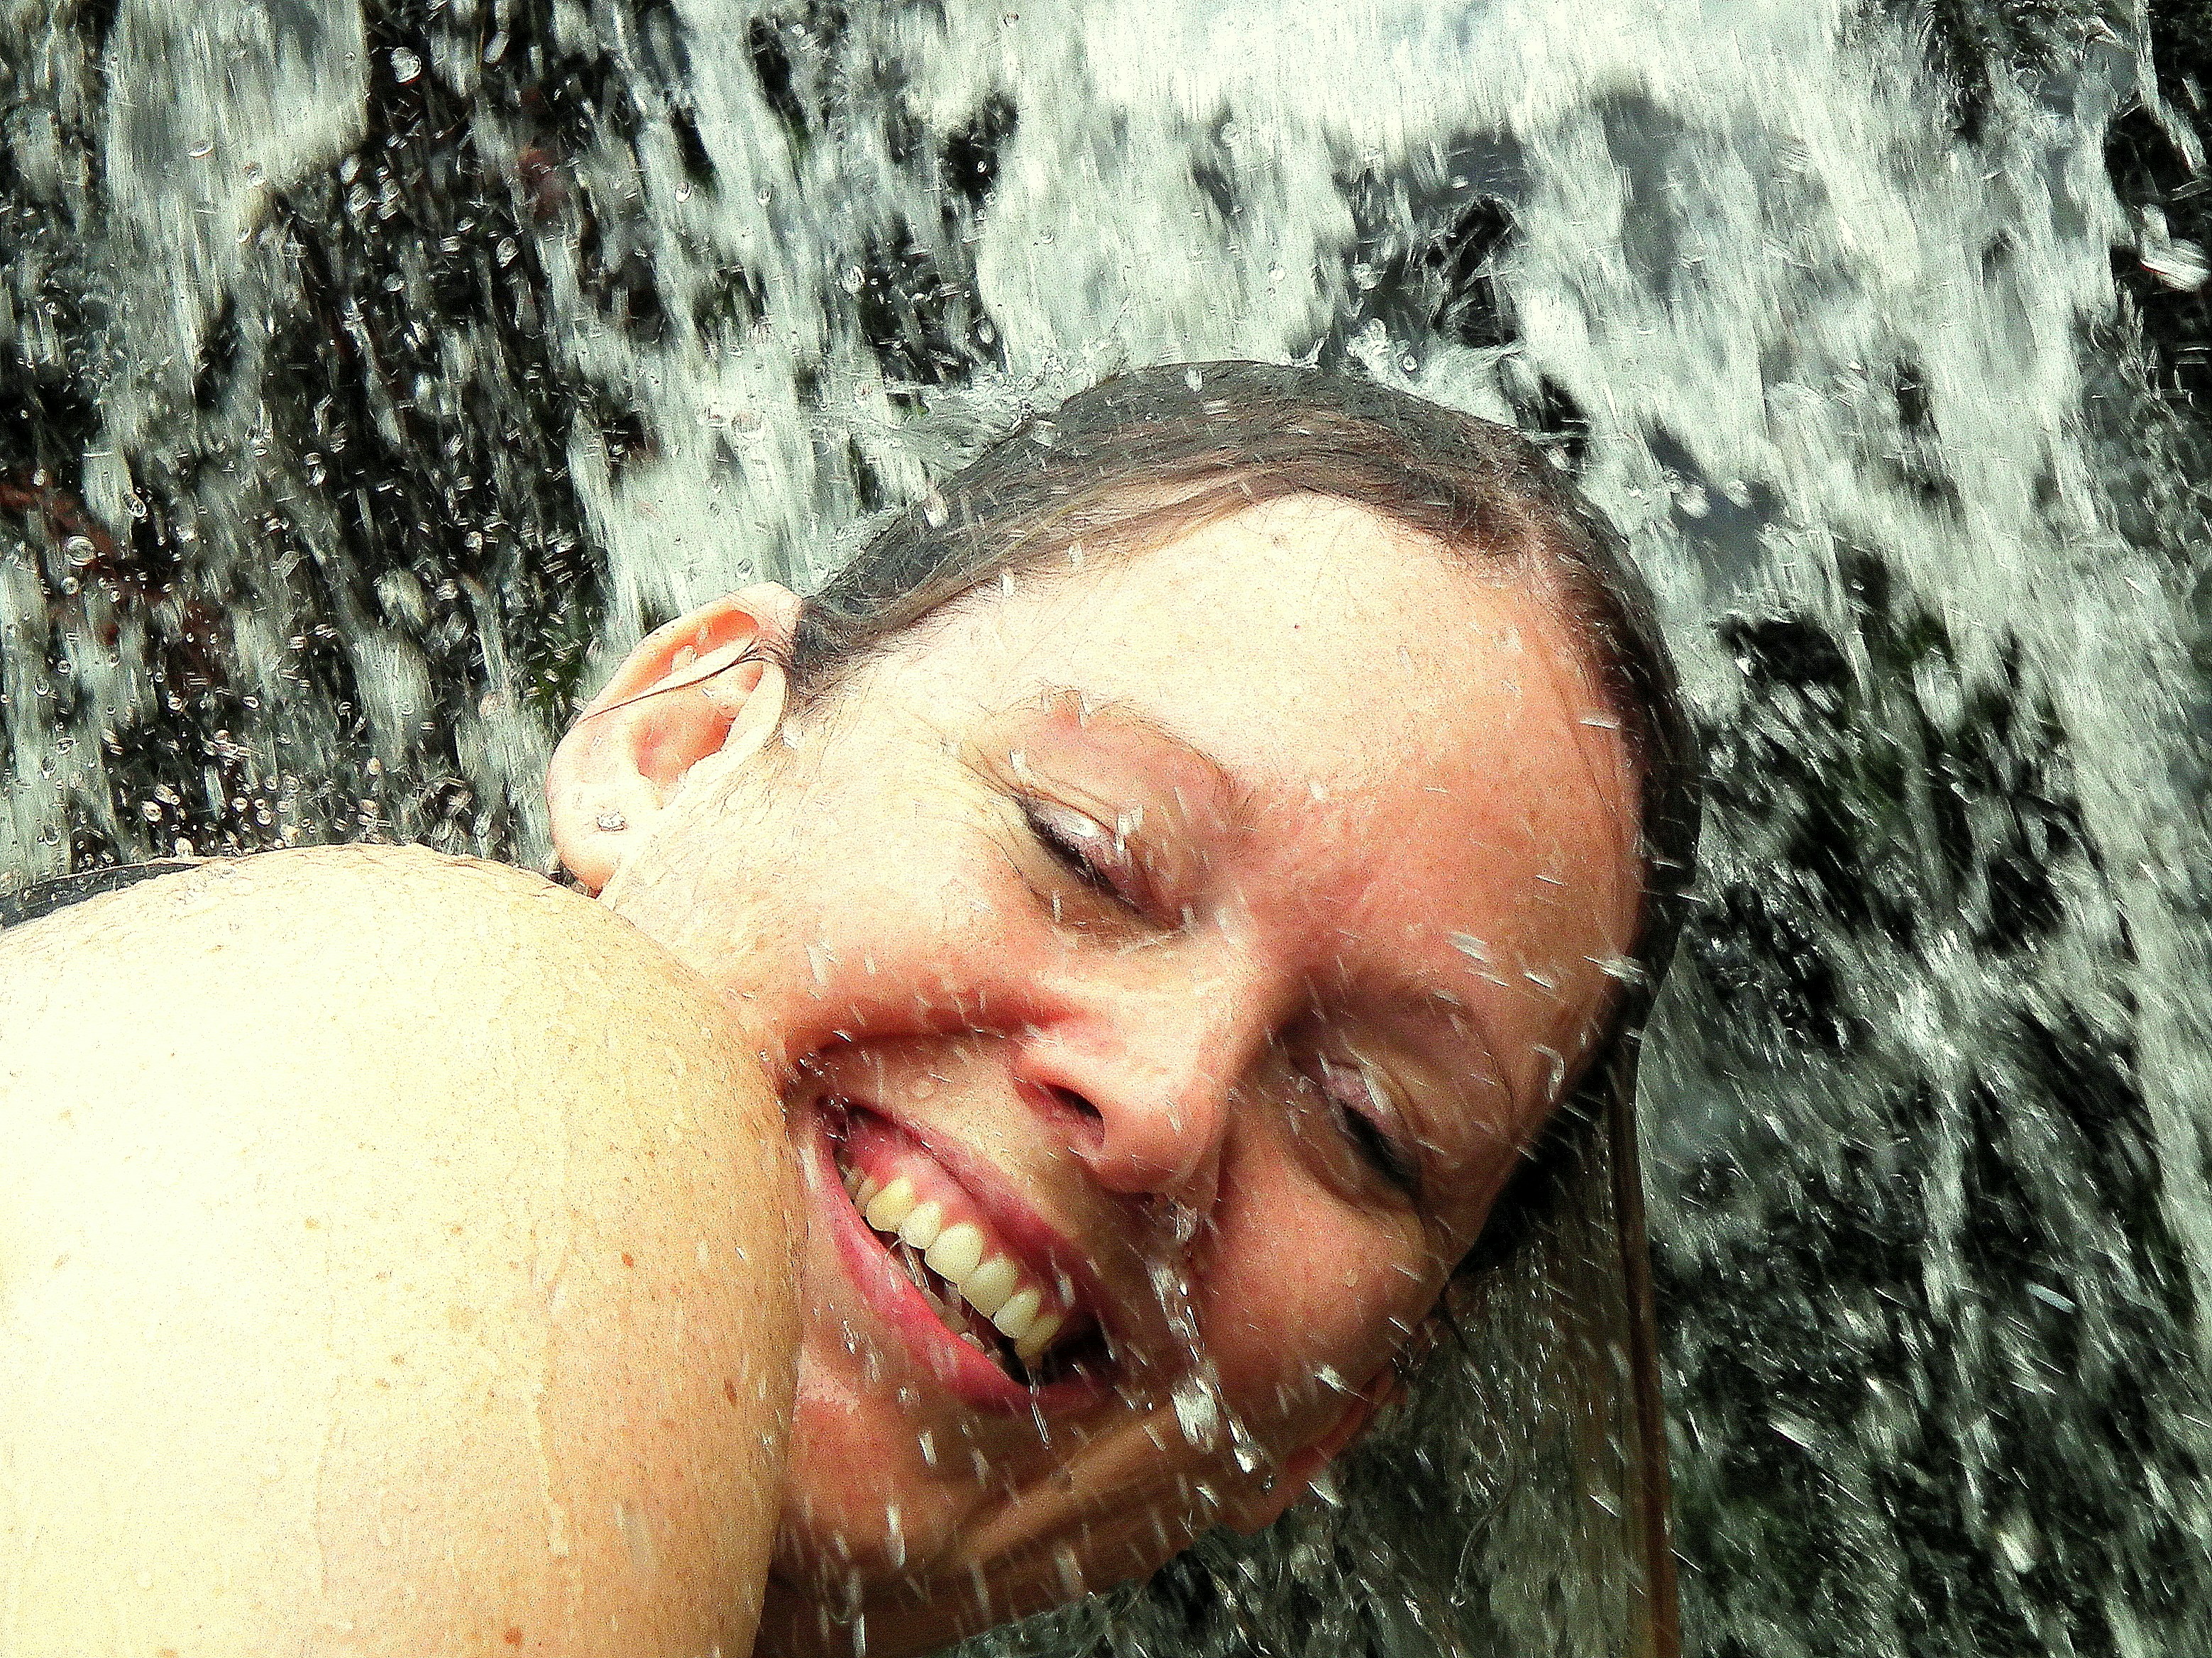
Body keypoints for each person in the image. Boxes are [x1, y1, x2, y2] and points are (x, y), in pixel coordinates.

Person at [0, 362, 1699, 1658]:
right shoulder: (479, 1049)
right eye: (1085, 849)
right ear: (677, 744)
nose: (1170, 1100)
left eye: (1364, 1126)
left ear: (1329, 1418)